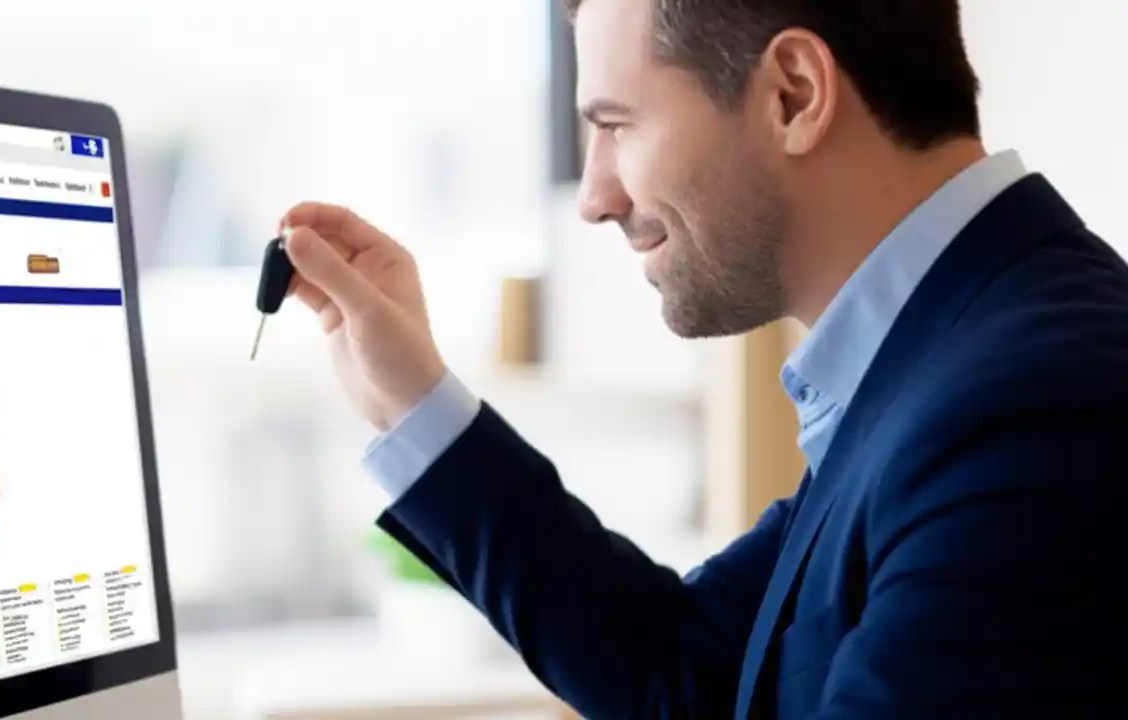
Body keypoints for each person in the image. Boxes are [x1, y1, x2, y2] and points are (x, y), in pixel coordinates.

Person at [275, 0, 1128, 716]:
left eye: (617, 126)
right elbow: (693, 670)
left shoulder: (1031, 407)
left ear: (794, 95)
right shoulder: (945, 359)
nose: (597, 197)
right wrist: (413, 401)